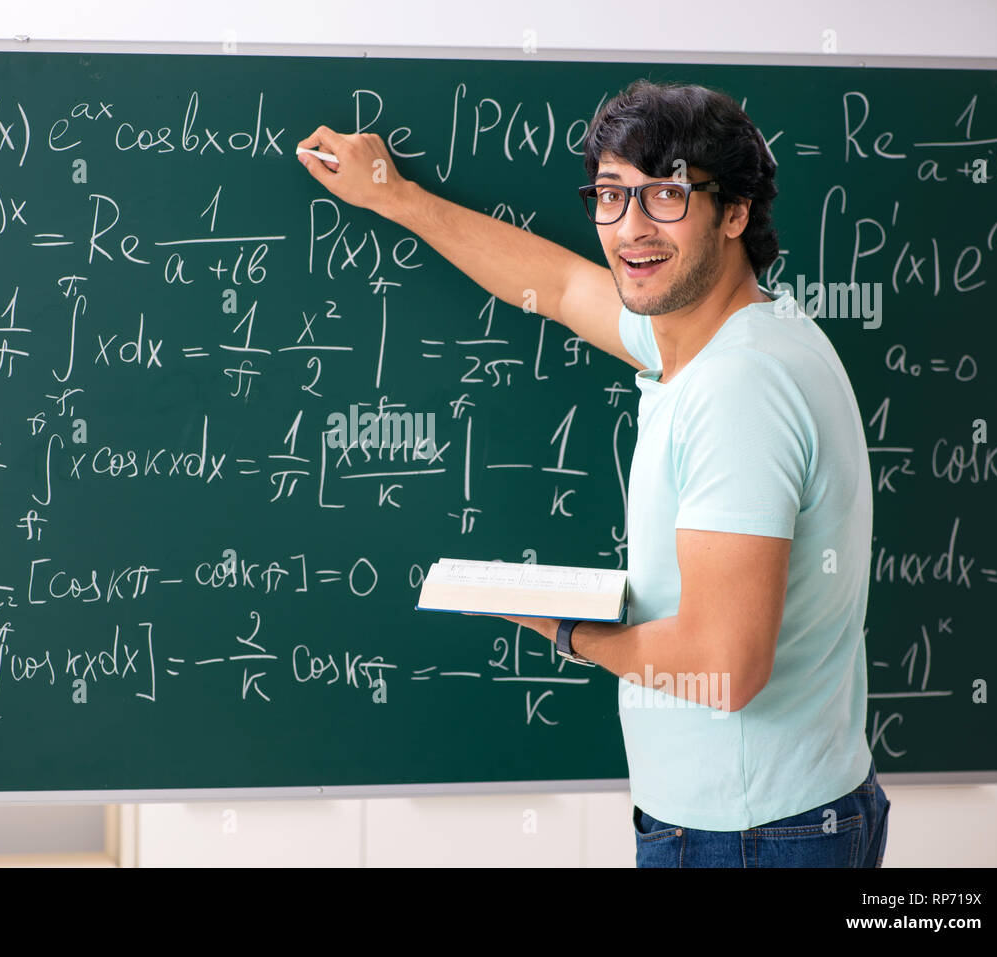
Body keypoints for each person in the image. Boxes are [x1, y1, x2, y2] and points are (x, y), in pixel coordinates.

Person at [297, 78, 889, 867]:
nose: (630, 230)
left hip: (749, 833)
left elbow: (725, 664)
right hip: (780, 810)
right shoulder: (725, 328)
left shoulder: (737, 385)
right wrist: (396, 198)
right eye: (611, 196)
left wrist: (567, 631)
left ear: (736, 212)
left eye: (666, 196)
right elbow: (565, 286)